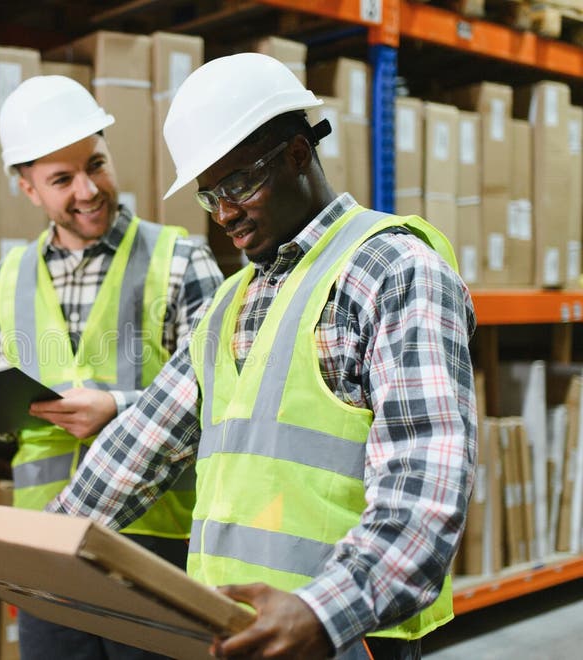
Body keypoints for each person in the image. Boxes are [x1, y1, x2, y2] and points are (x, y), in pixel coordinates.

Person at [46, 53, 477, 660]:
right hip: (228, 631)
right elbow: (139, 446)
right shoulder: (229, 303)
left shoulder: (394, 271)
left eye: (239, 184)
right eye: (209, 195)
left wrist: (324, 612)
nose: (224, 214)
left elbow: (426, 484)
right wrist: (34, 540)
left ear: (299, 154)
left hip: (343, 638)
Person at [0, 75, 223, 659]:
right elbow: (1, 423)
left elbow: (227, 393)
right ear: (28, 189)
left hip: (152, 537)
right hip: (45, 545)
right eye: (62, 180)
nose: (89, 190)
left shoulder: (180, 257)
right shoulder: (9, 276)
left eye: (97, 164)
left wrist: (118, 407)